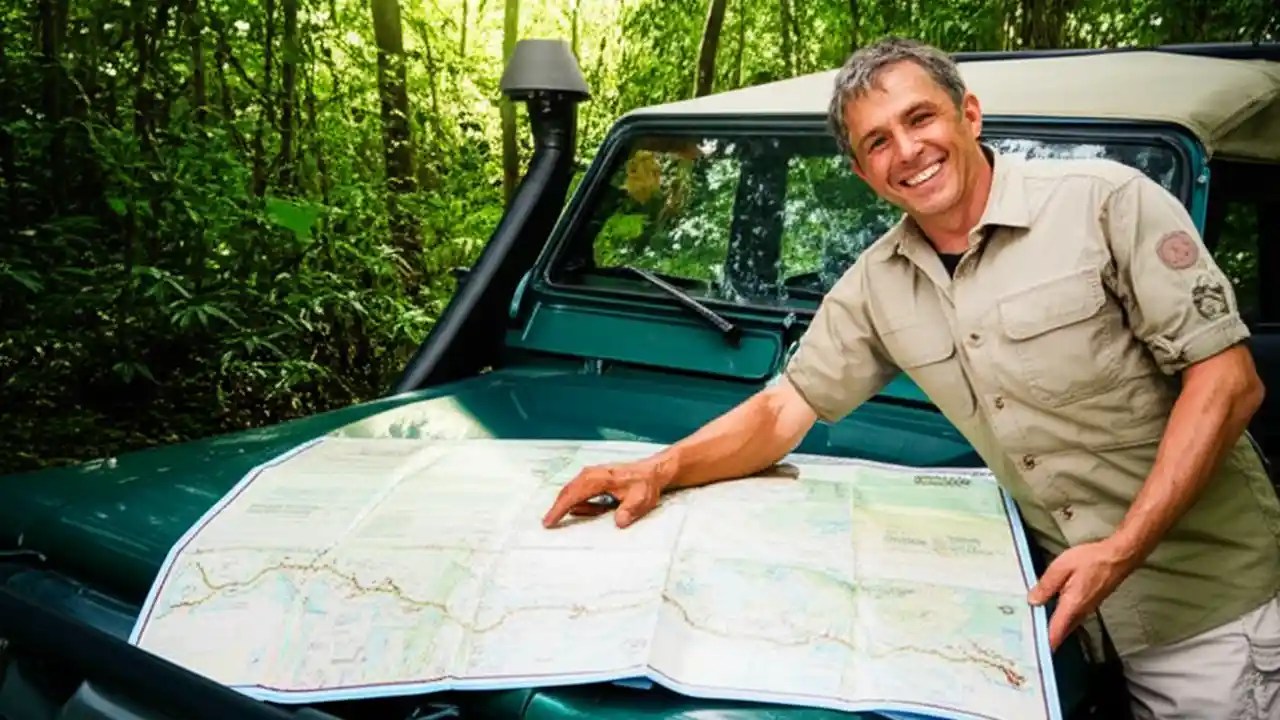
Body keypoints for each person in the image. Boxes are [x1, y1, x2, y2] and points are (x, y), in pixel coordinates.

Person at [541, 37, 1280, 719]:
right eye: (878, 142)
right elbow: (783, 411)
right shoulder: (880, 283)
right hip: (1058, 621)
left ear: (968, 113)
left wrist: (1119, 551)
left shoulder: (1105, 203)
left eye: (920, 118)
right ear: (864, 173)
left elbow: (1228, 381)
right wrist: (660, 469)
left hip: (1206, 608)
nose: (908, 150)